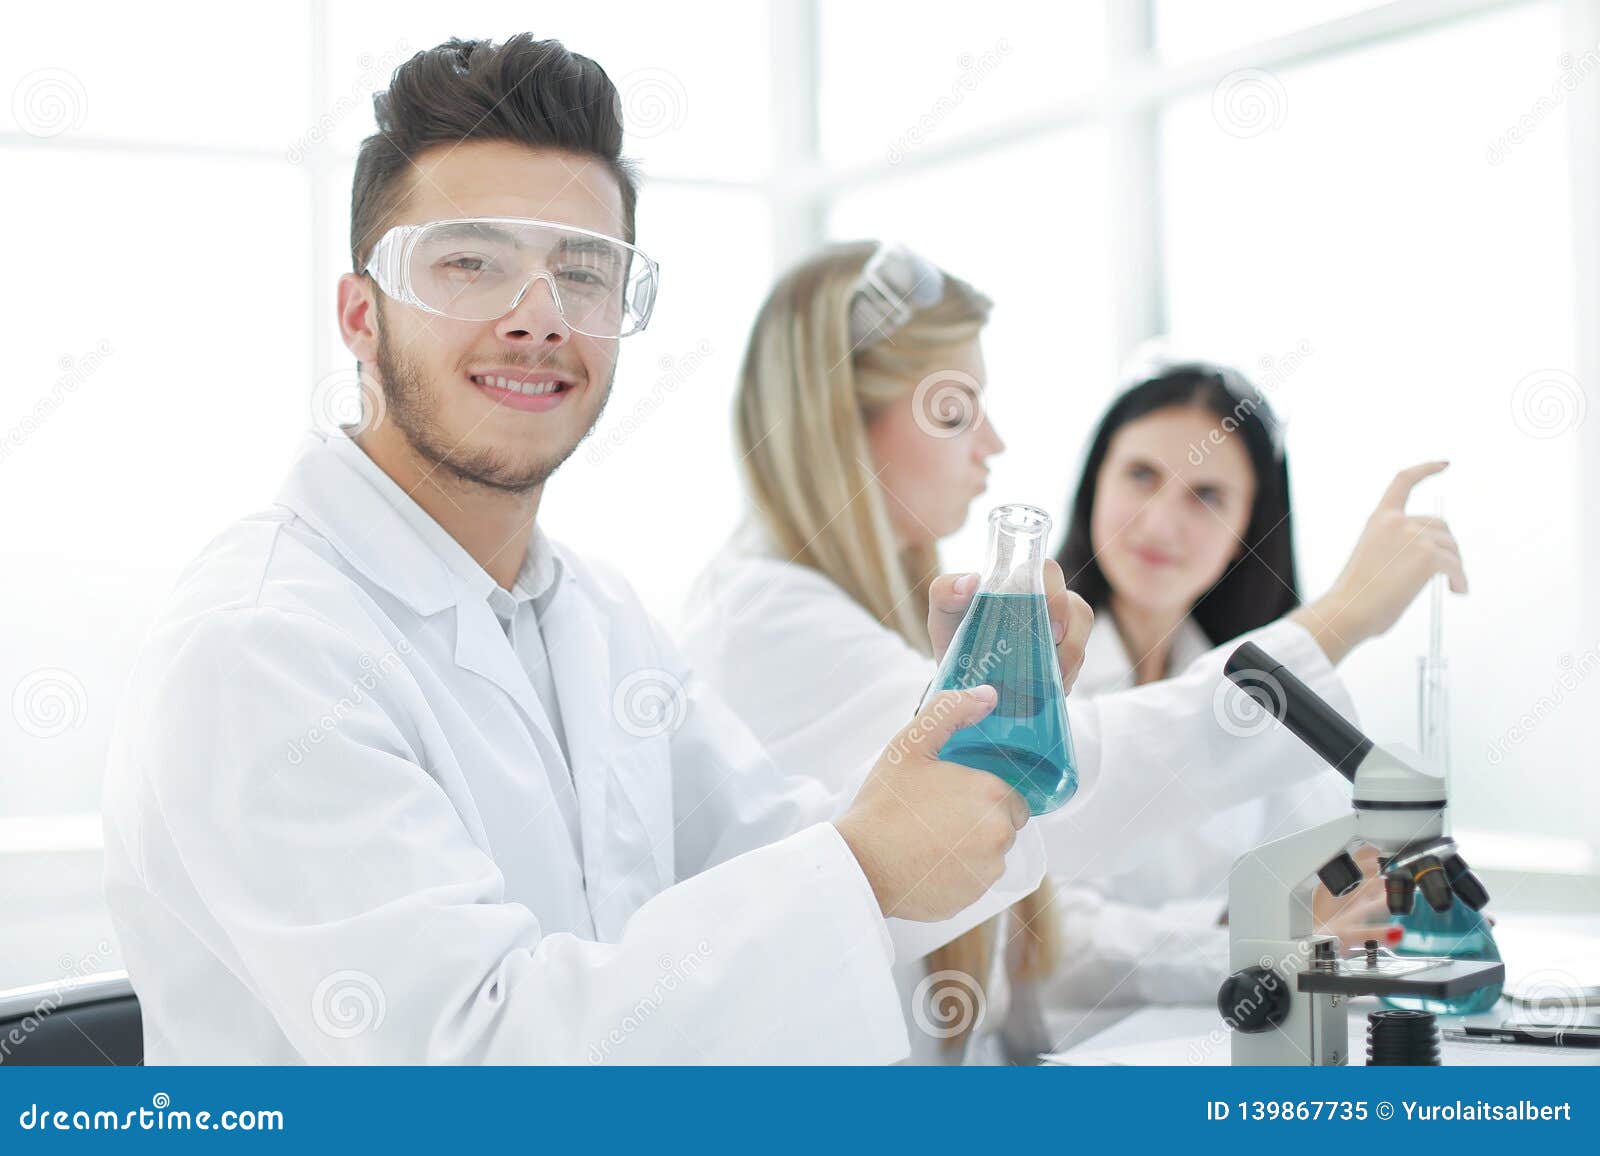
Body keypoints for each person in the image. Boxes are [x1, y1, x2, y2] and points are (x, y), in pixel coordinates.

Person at [99, 36, 1096, 1065]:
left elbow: (798, 869)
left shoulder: (597, 615)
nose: (537, 320)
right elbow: (473, 1063)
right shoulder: (261, 652)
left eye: (582, 274)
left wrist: (976, 735)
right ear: (361, 315)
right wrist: (862, 868)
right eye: (471, 265)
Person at [678, 243, 1466, 1061]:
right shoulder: (768, 617)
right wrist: (1344, 615)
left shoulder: (904, 614)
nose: (992, 444)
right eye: (954, 412)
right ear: (833, 423)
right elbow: (1056, 797)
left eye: (1206, 495)